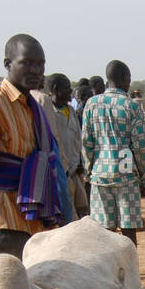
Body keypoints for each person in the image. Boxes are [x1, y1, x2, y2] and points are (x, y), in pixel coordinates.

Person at [0, 33, 72, 267]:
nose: (36, 70)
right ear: (7, 64)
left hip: (40, 218)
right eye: (27, 63)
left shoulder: (34, 107)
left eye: (40, 64)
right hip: (8, 220)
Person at [82, 59, 145, 242]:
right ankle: (131, 270)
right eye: (129, 78)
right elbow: (141, 146)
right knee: (129, 232)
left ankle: (106, 271)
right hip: (126, 173)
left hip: (100, 174)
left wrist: (89, 172)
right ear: (124, 78)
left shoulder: (91, 104)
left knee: (104, 233)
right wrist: (144, 179)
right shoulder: (132, 106)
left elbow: (86, 142)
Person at [38, 73, 87, 216]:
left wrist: (80, 161)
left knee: (83, 209)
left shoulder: (70, 110)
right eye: (67, 89)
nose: (70, 93)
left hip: (75, 171)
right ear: (55, 89)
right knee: (67, 214)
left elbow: (78, 138)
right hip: (60, 173)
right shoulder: (47, 112)